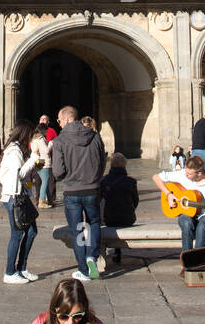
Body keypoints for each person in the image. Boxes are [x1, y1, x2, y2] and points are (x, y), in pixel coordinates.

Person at [52, 105, 106, 283]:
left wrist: (67, 176)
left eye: (59, 120)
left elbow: (58, 171)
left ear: (67, 119)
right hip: (92, 189)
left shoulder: (60, 141)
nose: (58, 124)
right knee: (95, 222)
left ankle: (83, 270)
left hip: (72, 191)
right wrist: (94, 178)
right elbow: (102, 162)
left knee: (77, 230)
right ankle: (92, 255)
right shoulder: (95, 136)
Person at [152, 153, 205, 252]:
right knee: (186, 223)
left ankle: (197, 257)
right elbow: (156, 177)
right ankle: (186, 255)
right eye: (185, 171)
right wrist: (168, 194)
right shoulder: (182, 174)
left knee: (202, 227)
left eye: (189, 174)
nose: (185, 175)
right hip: (186, 212)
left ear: (199, 173)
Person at [0, 120, 39, 285]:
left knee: (31, 231)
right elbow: (20, 174)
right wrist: (34, 159)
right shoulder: (14, 151)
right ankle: (10, 272)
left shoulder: (16, 150)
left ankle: (21, 268)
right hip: (13, 197)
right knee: (17, 234)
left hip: (20, 195)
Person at [100, 152, 139, 227]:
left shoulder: (103, 181)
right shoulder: (131, 181)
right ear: (125, 164)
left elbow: (99, 200)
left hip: (107, 219)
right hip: (127, 219)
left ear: (111, 164)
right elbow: (135, 201)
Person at [30, 123, 52, 209]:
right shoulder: (41, 139)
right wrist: (50, 144)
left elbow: (34, 150)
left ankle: (48, 199)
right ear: (43, 130)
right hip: (44, 161)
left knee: (44, 181)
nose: (47, 132)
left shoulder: (34, 138)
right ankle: (41, 201)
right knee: (45, 182)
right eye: (46, 130)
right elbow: (46, 151)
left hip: (39, 161)